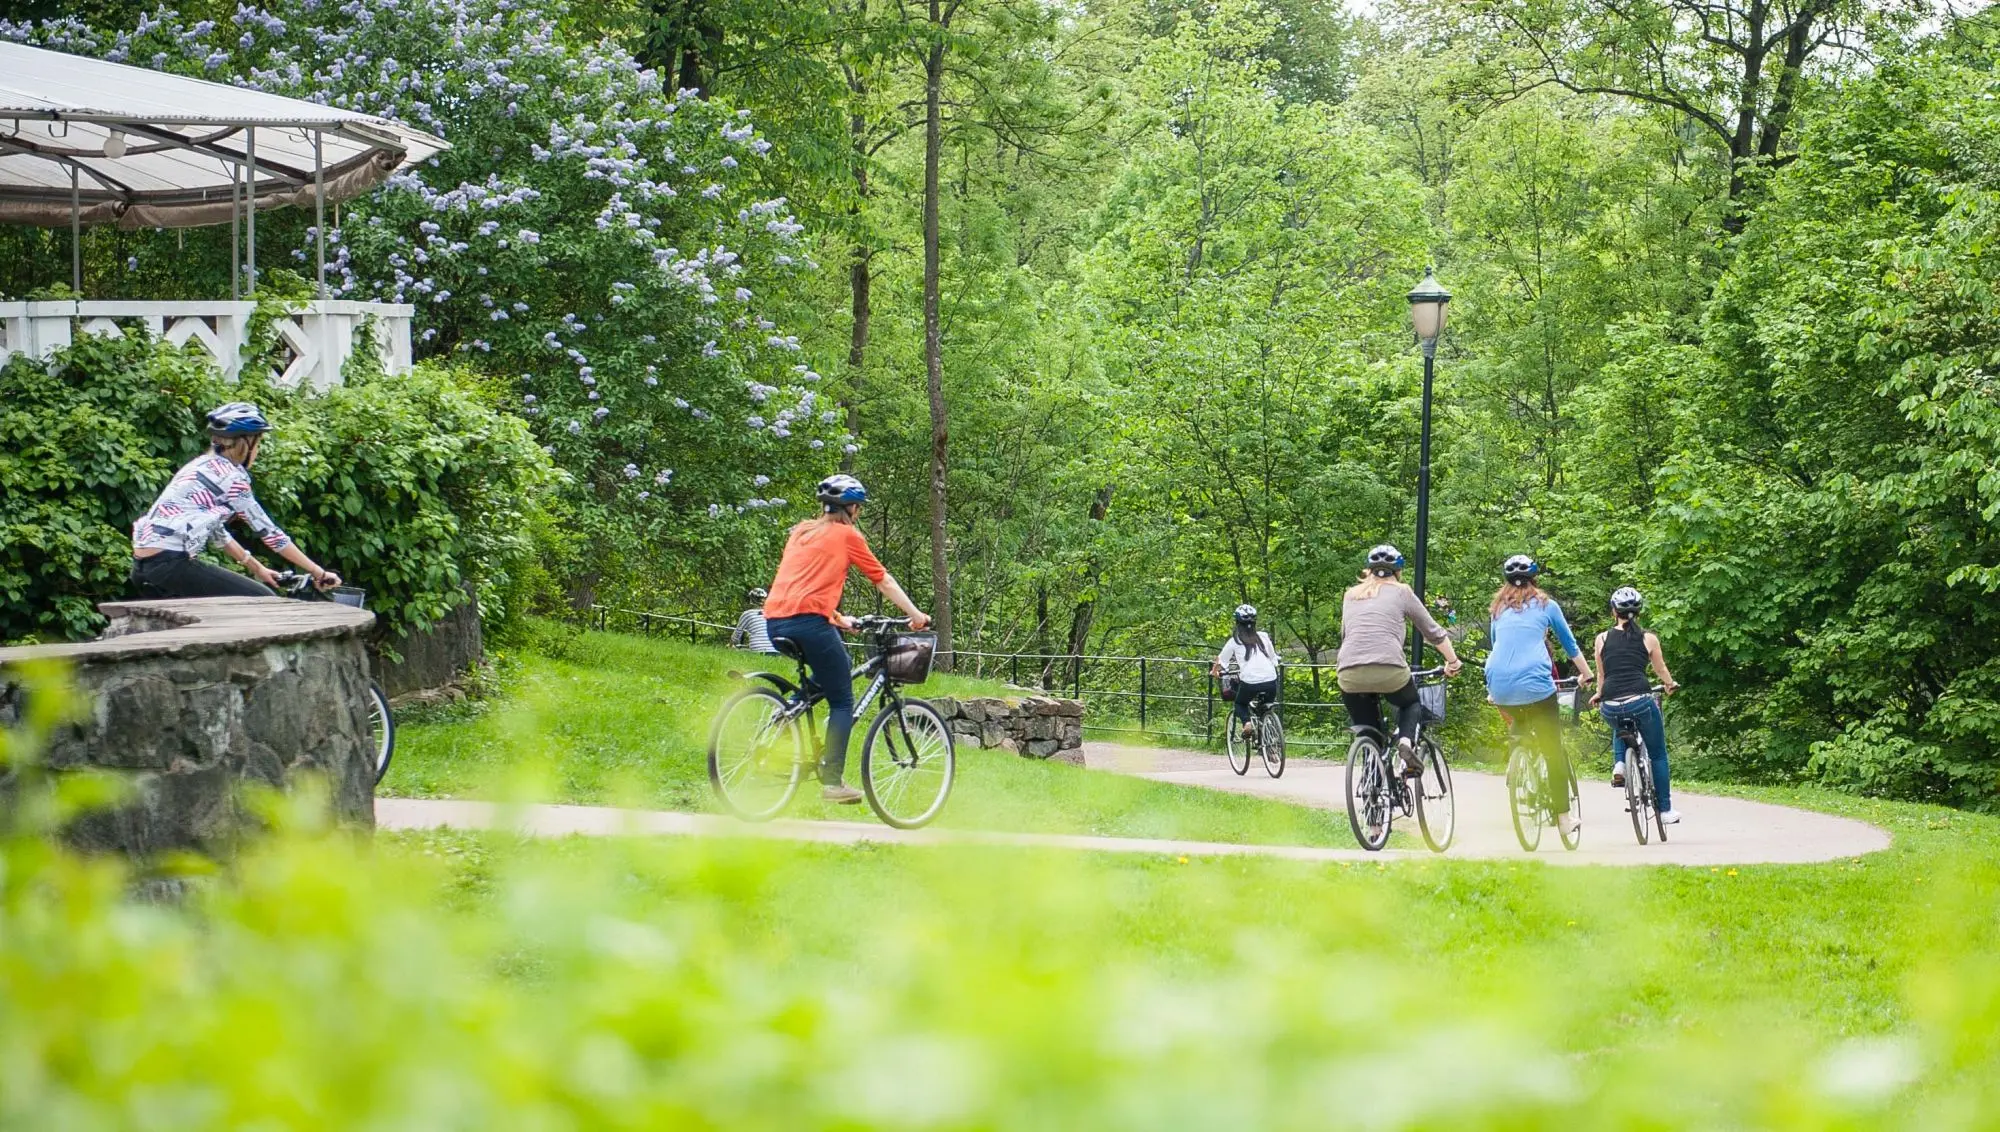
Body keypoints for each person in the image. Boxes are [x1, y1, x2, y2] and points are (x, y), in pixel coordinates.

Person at [761, 474, 930, 805]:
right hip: (809, 624)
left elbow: (801, 584)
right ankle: (833, 782)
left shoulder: (801, 532)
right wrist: (915, 615)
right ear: (851, 508)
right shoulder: (847, 536)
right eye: (859, 508)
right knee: (842, 699)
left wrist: (838, 619)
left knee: (828, 674)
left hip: (775, 621)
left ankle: (785, 721)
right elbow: (883, 580)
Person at [130, 402, 342, 599]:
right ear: (245, 443)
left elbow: (217, 533)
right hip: (169, 564)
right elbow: (271, 535)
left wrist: (258, 569)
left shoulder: (201, 465)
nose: (258, 450)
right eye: (258, 442)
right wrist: (319, 573)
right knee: (263, 601)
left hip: (144, 567)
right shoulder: (232, 478)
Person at [1482, 554, 1595, 837]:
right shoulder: (1547, 605)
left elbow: (1498, 647)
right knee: (1553, 749)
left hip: (1498, 681)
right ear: (1535, 580)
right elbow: (1569, 645)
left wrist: (1493, 688)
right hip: (1535, 681)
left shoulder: (1497, 609)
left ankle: (1515, 753)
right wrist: (1587, 674)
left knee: (1520, 711)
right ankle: (1564, 819)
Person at [1335, 545, 1463, 776]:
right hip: (1390, 668)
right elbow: (1433, 632)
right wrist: (1452, 662)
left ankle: (1371, 778)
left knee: (1369, 732)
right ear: (1398, 571)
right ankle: (1405, 742)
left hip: (1348, 672)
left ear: (1368, 570)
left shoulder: (1350, 595)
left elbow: (1346, 635)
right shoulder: (1401, 591)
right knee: (1410, 703)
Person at [1591, 586, 1682, 824]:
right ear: (1638, 612)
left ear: (1614, 612)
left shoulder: (1601, 639)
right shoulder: (1648, 638)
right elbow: (1660, 669)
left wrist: (1599, 695)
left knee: (1618, 719)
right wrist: (1670, 684)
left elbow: (1602, 675)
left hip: (1610, 703)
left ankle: (1620, 763)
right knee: (1658, 754)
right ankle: (1665, 811)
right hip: (1640, 700)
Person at [1212, 605, 1279, 742]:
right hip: (1271, 679)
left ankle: (1247, 724)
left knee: (1240, 704)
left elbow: (1221, 661)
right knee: (1266, 708)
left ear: (1237, 623)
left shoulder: (1234, 642)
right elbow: (1273, 658)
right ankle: (1269, 741)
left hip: (1250, 681)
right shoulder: (1264, 637)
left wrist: (1214, 671)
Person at [730, 587, 777, 654]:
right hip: (775, 651)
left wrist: (732, 645)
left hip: (758, 651)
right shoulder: (773, 613)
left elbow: (737, 635)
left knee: (737, 650)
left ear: (751, 600)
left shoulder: (747, 614)